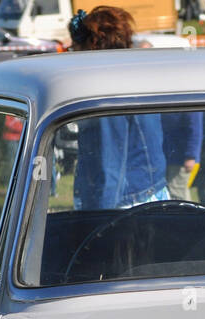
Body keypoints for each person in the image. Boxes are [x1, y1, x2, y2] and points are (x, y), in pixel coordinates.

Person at [69, 6, 168, 210]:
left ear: (92, 44)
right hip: (150, 193)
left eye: (75, 48)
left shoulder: (107, 91)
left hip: (125, 205)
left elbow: (109, 166)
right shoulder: (137, 77)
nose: (72, 55)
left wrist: (99, 222)